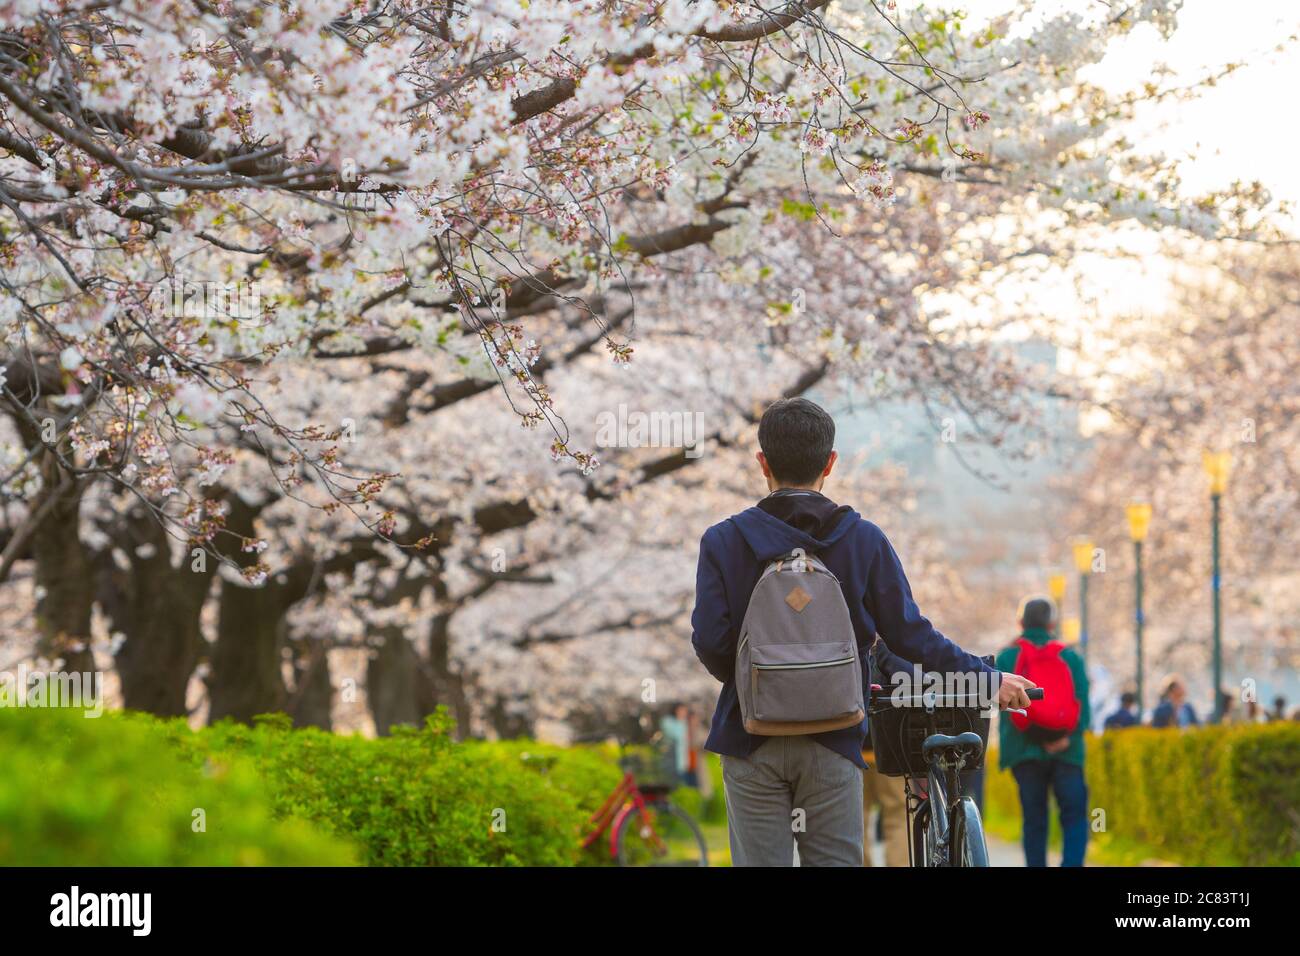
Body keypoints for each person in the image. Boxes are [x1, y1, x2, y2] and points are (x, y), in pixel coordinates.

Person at [690, 398, 1035, 867]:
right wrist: (988, 678)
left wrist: (759, 684)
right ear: (831, 463)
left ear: (762, 462)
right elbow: (912, 637)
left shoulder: (723, 541)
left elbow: (711, 642)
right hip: (833, 737)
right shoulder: (863, 539)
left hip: (748, 738)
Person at [996, 596, 1090, 867]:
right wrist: (1065, 739)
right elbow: (1083, 707)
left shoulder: (1007, 657)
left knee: (1034, 819)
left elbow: (1002, 707)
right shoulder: (1070, 657)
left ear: (1020, 622)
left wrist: (1033, 737)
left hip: (1024, 751)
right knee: (1073, 816)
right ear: (1052, 623)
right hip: (1067, 752)